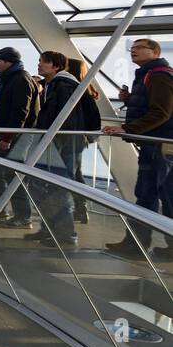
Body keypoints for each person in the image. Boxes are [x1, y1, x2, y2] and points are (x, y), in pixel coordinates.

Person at [103, 38, 173, 258]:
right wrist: (131, 99)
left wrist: (127, 128)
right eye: (132, 48)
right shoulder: (151, 74)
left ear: (154, 51)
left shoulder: (159, 75)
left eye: (139, 48)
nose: (133, 51)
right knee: (161, 194)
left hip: (157, 144)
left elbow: (161, 112)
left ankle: (136, 244)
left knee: (147, 194)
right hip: (158, 143)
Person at [23, 51, 84, 246]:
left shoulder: (63, 85)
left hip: (61, 144)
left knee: (57, 187)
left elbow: (67, 118)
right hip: (57, 143)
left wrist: (52, 141)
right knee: (44, 184)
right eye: (40, 61)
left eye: (44, 62)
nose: (40, 65)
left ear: (56, 66)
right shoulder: (54, 84)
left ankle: (65, 234)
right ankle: (50, 228)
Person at [0, 46, 40, 227]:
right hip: (10, 133)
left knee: (11, 174)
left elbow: (21, 112)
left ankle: (22, 216)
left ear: (9, 61)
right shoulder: (12, 78)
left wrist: (7, 138)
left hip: (15, 136)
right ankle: (1, 210)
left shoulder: (20, 80)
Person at [66, 57, 102, 223]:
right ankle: (81, 209)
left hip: (73, 138)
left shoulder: (75, 91)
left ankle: (78, 209)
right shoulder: (84, 90)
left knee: (70, 174)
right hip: (79, 139)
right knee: (76, 173)